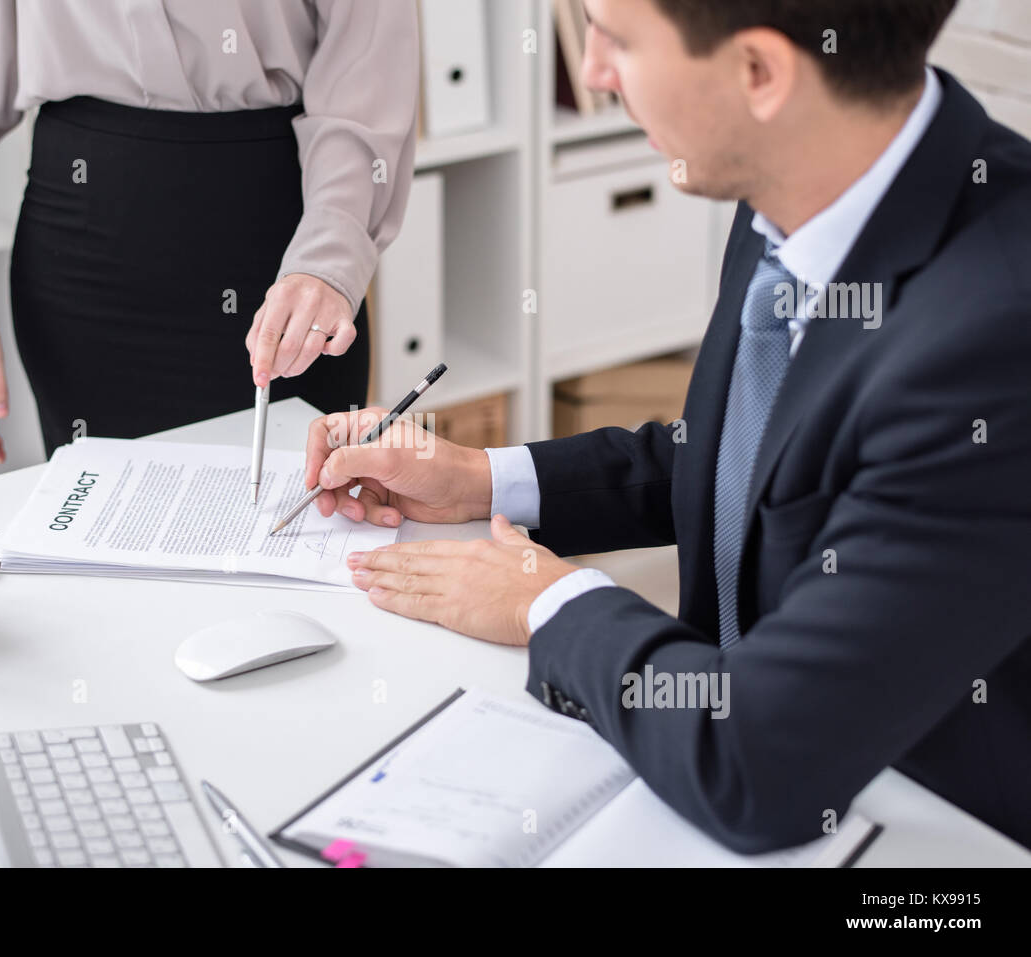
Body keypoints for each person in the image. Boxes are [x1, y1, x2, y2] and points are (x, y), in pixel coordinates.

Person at [301, 0, 1031, 853]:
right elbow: (752, 467)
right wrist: (482, 479)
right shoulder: (797, 179)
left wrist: (550, 602)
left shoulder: (995, 342)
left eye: (617, 38)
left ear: (760, 73)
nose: (597, 73)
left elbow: (756, 760)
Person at [0, 0, 418, 459]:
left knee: (298, 523)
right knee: (101, 538)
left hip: (284, 261)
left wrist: (327, 265)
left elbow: (366, 77)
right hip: (80, 271)